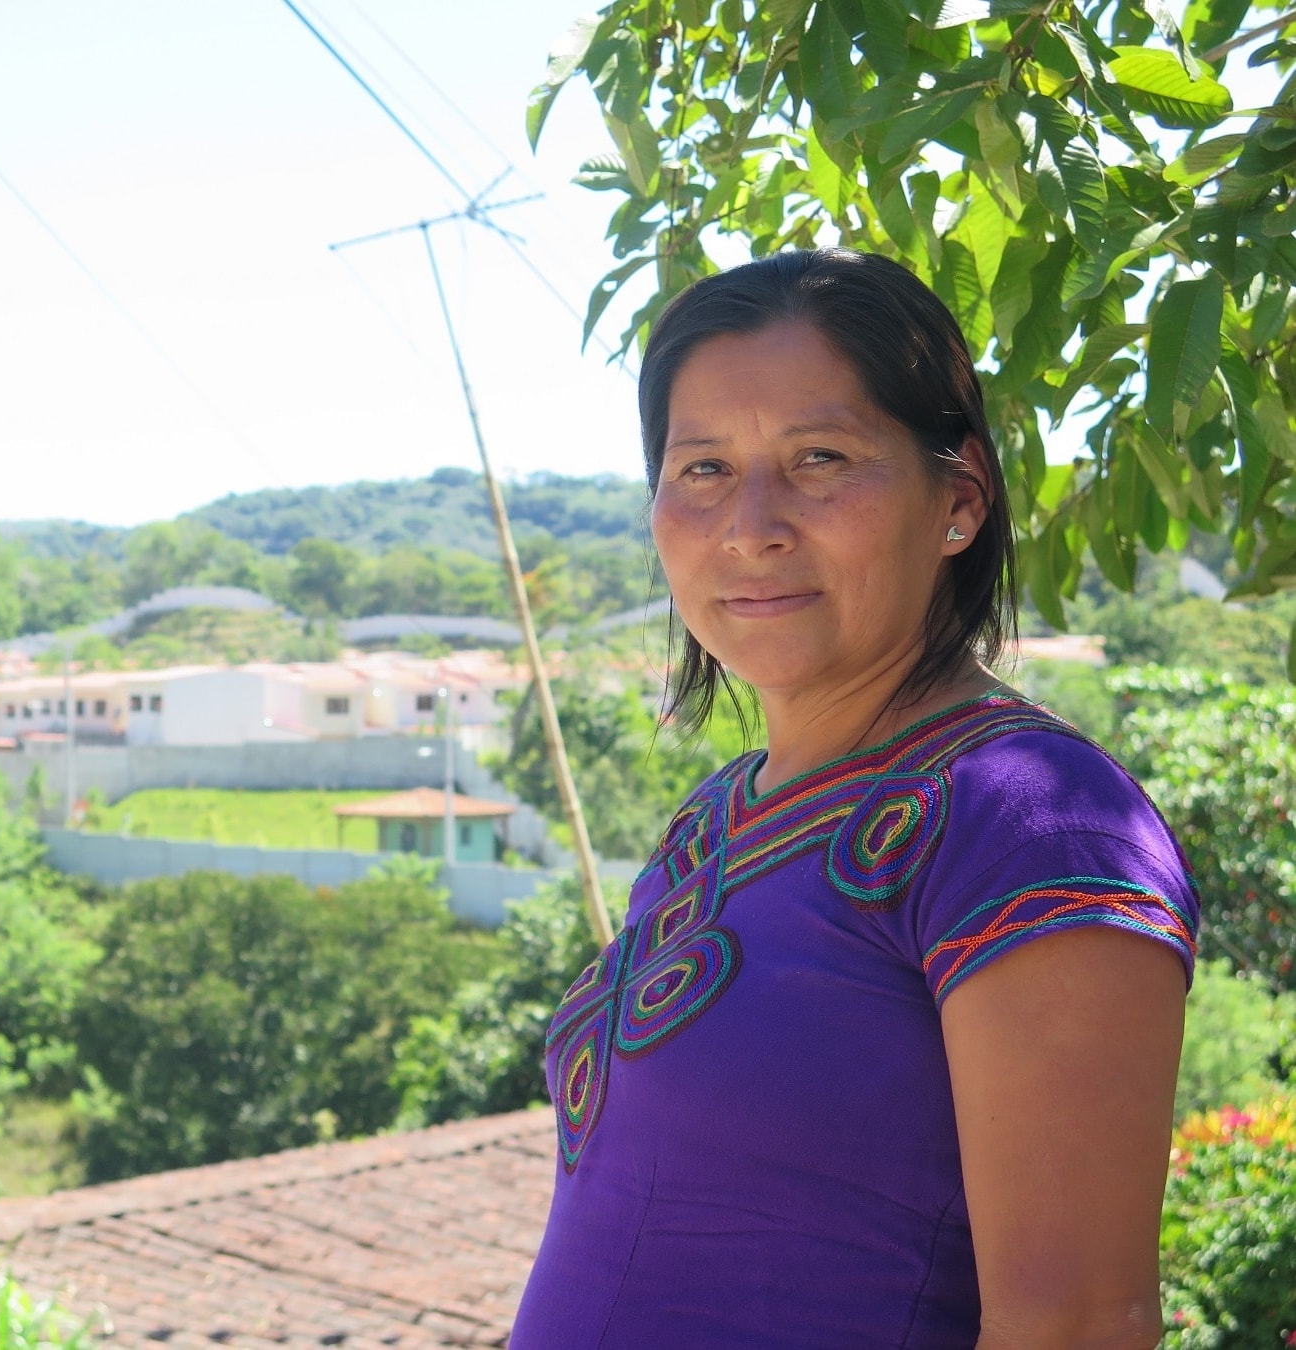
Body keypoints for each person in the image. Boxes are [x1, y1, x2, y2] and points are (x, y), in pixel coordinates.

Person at [510, 249, 1197, 1349]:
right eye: (700, 470)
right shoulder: (711, 822)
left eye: (819, 458)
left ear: (957, 498)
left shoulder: (1027, 820)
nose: (751, 524)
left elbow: (1075, 1322)